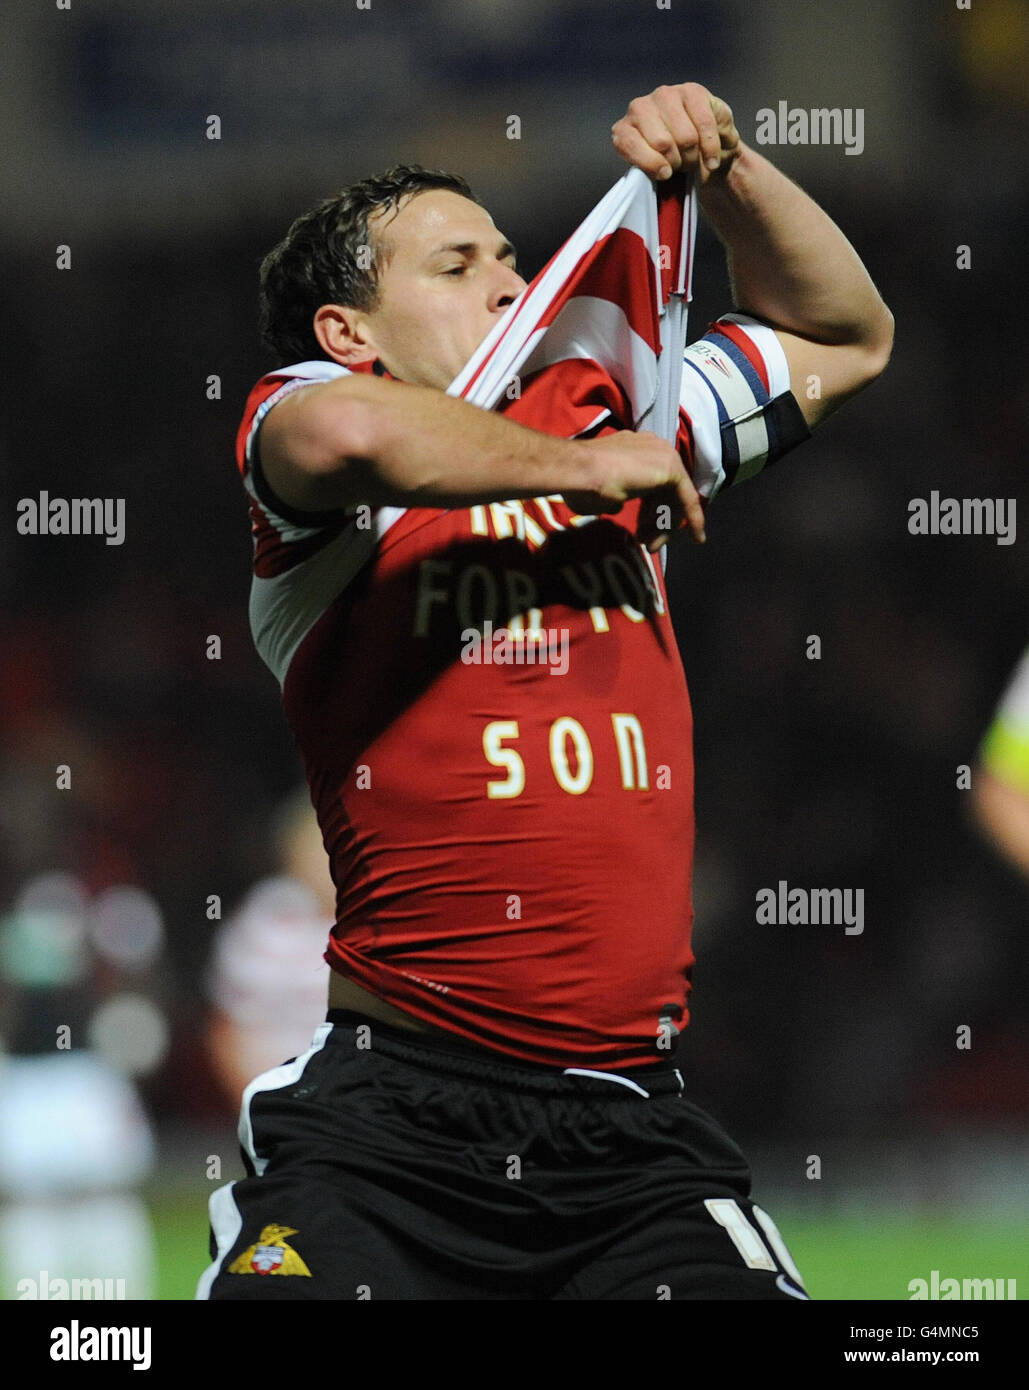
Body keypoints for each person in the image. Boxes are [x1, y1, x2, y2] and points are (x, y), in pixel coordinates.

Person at [199, 81, 893, 1300]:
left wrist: (728, 168)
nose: (514, 283)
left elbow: (847, 335)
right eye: (456, 264)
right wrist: (586, 465)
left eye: (510, 255)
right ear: (349, 332)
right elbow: (349, 438)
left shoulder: (612, 413)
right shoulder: (316, 449)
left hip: (628, 1130)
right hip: (386, 1133)